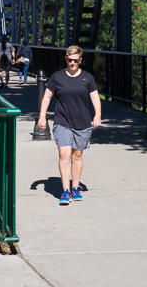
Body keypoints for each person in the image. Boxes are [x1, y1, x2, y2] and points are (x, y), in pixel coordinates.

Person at [36, 45, 102, 205]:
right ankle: (65, 190)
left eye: (75, 61)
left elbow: (94, 97)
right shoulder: (57, 77)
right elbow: (47, 97)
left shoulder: (88, 78)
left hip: (82, 122)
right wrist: (42, 116)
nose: (72, 63)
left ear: (80, 60)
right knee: (64, 155)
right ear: (66, 59)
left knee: (77, 156)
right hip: (62, 121)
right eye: (69, 60)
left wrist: (98, 114)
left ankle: (76, 188)